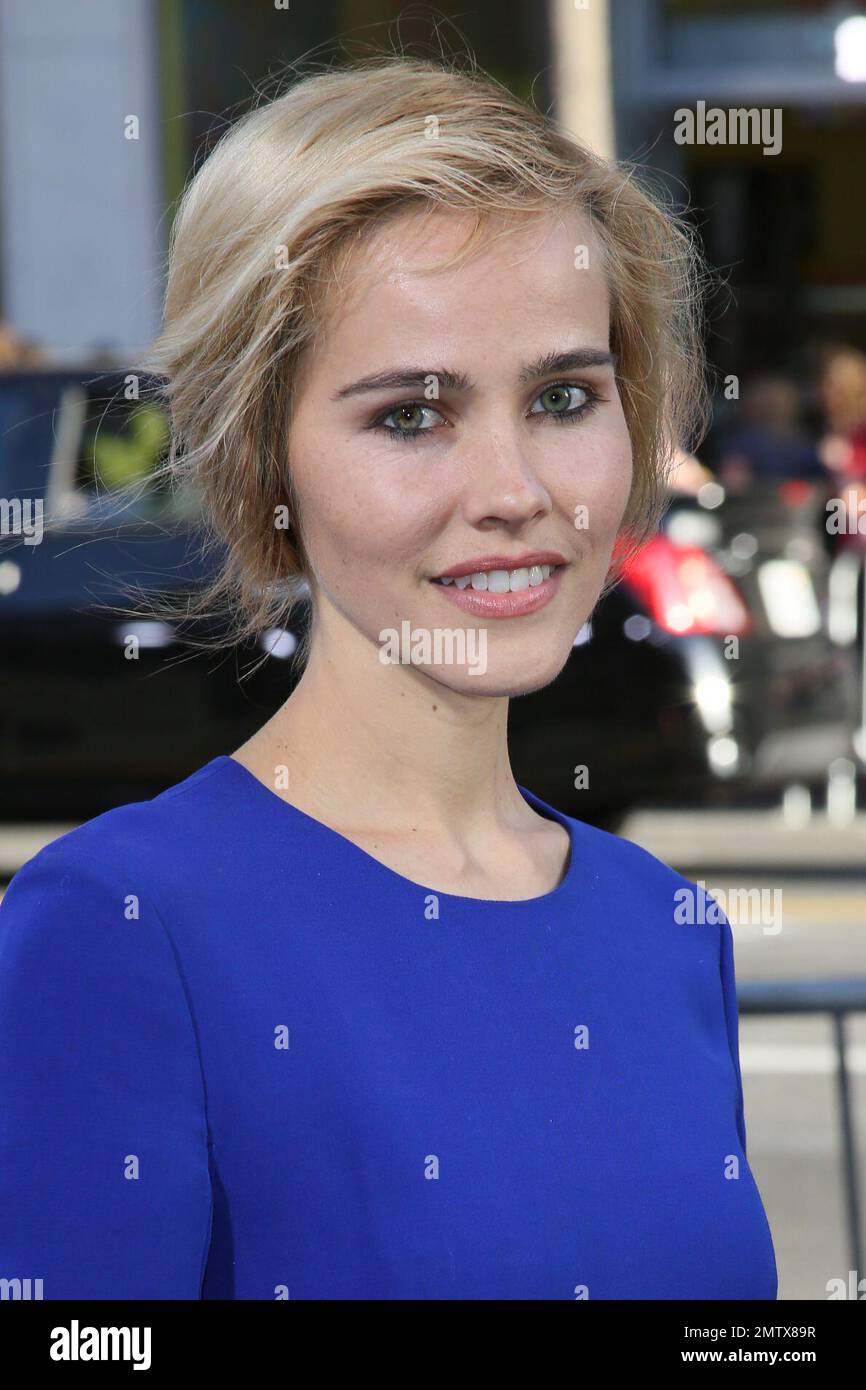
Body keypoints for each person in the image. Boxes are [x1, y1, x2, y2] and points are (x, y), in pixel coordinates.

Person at [0, 55, 777, 1301]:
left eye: (564, 396)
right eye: (411, 415)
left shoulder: (661, 926)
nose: (514, 490)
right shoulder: (121, 927)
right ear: (262, 455)